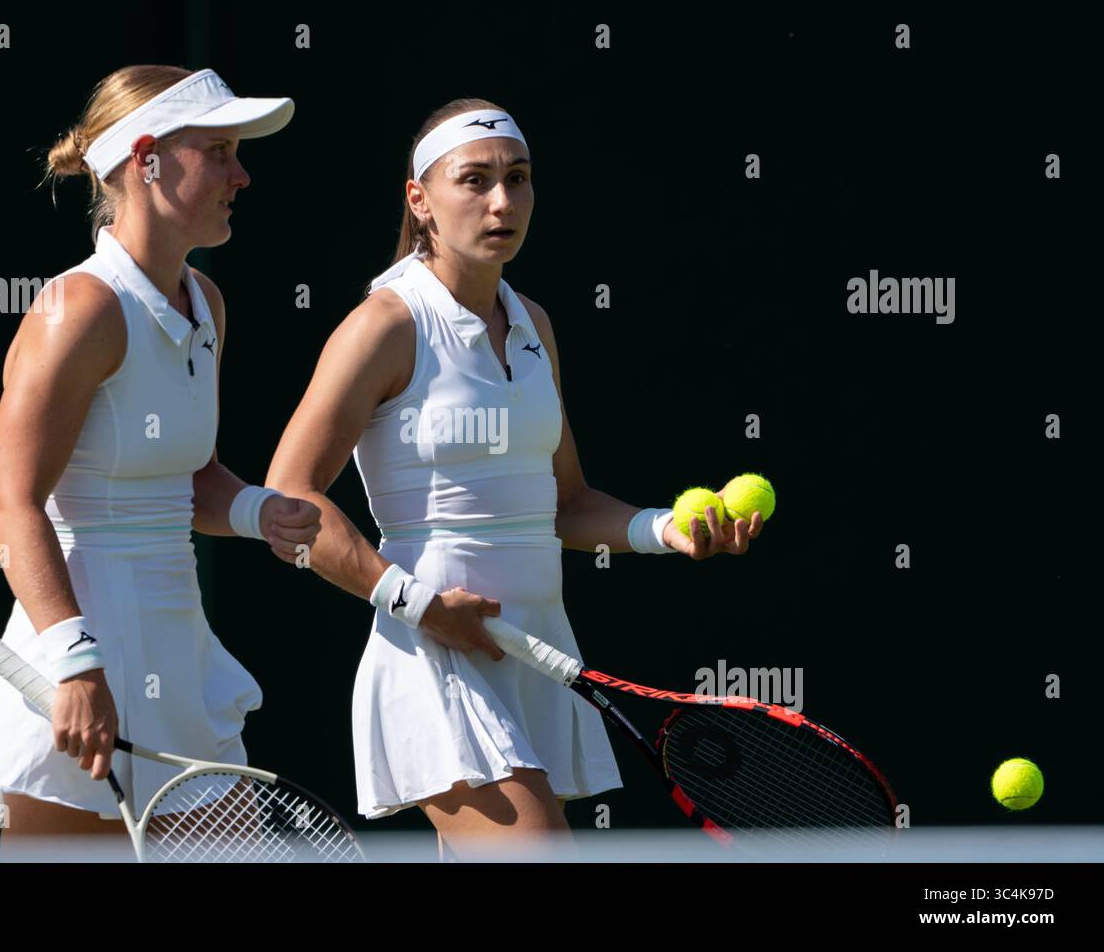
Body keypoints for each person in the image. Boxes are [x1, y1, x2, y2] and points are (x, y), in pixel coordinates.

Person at [264, 99, 764, 856]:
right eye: (475, 180)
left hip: (536, 650)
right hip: (435, 656)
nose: (502, 202)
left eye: (518, 179)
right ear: (419, 200)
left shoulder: (533, 323)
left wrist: (669, 530)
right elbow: (289, 500)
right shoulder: (386, 325)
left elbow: (565, 504)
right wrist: (421, 605)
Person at [0, 65, 321, 855]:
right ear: (146, 160)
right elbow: (12, 503)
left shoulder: (207, 301)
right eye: (220, 151)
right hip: (80, 642)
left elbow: (190, 476)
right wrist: (74, 664)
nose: (242, 174)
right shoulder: (81, 309)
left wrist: (254, 509)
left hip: (180, 644)